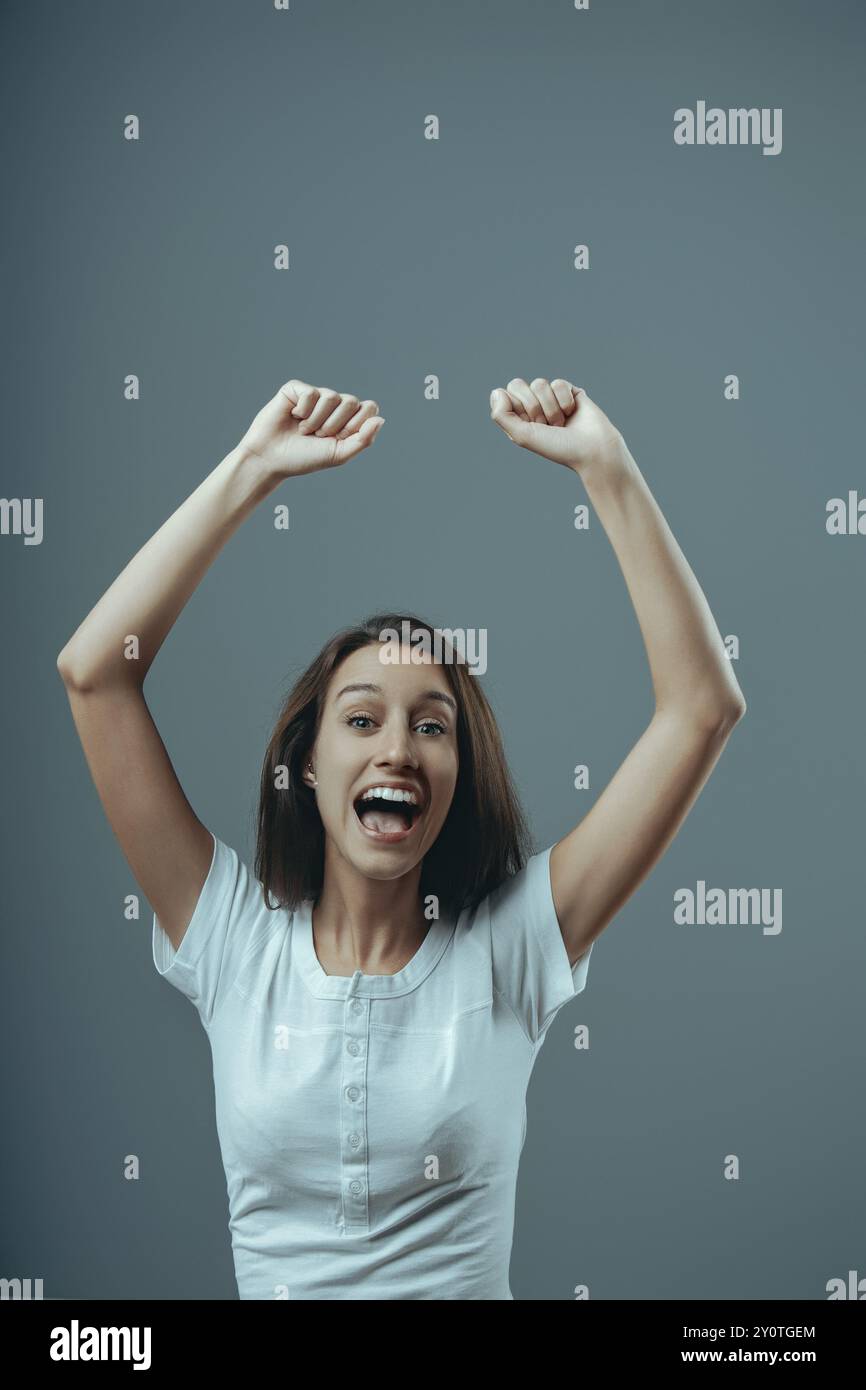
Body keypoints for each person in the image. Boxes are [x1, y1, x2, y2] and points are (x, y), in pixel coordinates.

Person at [57, 376, 746, 1299]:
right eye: (361, 719)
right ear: (306, 764)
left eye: (432, 725)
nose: (398, 749)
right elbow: (95, 675)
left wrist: (607, 467)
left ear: (460, 778)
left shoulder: (510, 949)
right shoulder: (231, 940)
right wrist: (252, 470)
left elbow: (701, 709)